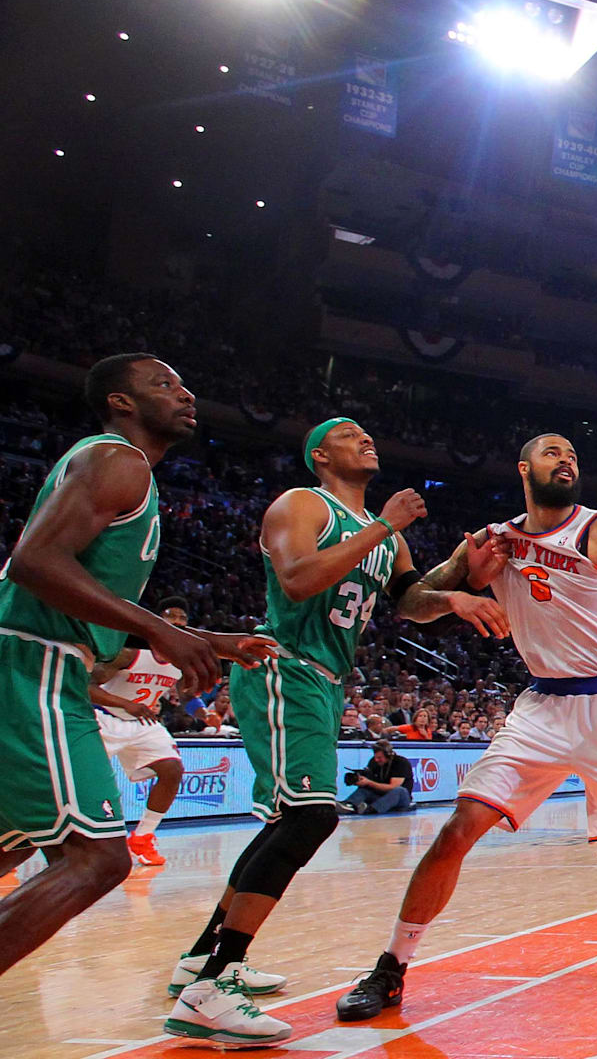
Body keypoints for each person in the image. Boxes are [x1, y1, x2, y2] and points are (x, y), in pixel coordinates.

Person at [165, 417, 509, 1047]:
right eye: (348, 434)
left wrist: (459, 582)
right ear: (320, 455)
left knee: (286, 821)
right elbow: (297, 579)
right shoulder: (303, 504)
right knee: (309, 818)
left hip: (326, 678)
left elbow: (412, 603)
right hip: (283, 665)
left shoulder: (388, 541)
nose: (366, 438)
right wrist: (385, 524)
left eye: (367, 433)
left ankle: (203, 956)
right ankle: (210, 988)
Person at [335, 432, 597, 1022]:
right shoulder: (494, 540)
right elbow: (411, 603)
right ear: (524, 468)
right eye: (552, 452)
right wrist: (460, 591)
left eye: (573, 453)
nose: (567, 459)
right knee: (456, 830)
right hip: (544, 709)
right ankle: (391, 967)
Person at [0, 353, 273, 976]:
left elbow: (88, 602)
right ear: (121, 401)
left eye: (183, 382)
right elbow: (35, 563)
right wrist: (159, 630)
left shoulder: (120, 469)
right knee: (98, 860)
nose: (184, 393)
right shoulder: (116, 458)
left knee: (13, 842)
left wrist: (211, 639)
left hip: (34, 655)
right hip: (31, 660)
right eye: (164, 384)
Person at [89, 595, 193, 866]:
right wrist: (127, 704)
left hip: (143, 722)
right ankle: (16, 843)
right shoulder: (130, 653)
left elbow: (180, 693)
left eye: (183, 618)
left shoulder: (181, 661)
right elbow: (84, 686)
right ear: (157, 621)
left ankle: (142, 836)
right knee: (71, 784)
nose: (178, 622)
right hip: (105, 718)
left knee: (172, 770)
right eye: (172, 616)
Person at [337, 741, 415, 815]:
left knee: (399, 790)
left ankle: (370, 809)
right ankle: (349, 805)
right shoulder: (374, 761)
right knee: (364, 790)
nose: (377, 760)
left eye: (380, 757)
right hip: (381, 796)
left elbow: (392, 787)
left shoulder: (401, 762)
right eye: (375, 757)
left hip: (401, 799)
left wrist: (369, 783)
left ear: (388, 755)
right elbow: (370, 781)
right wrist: (361, 781)